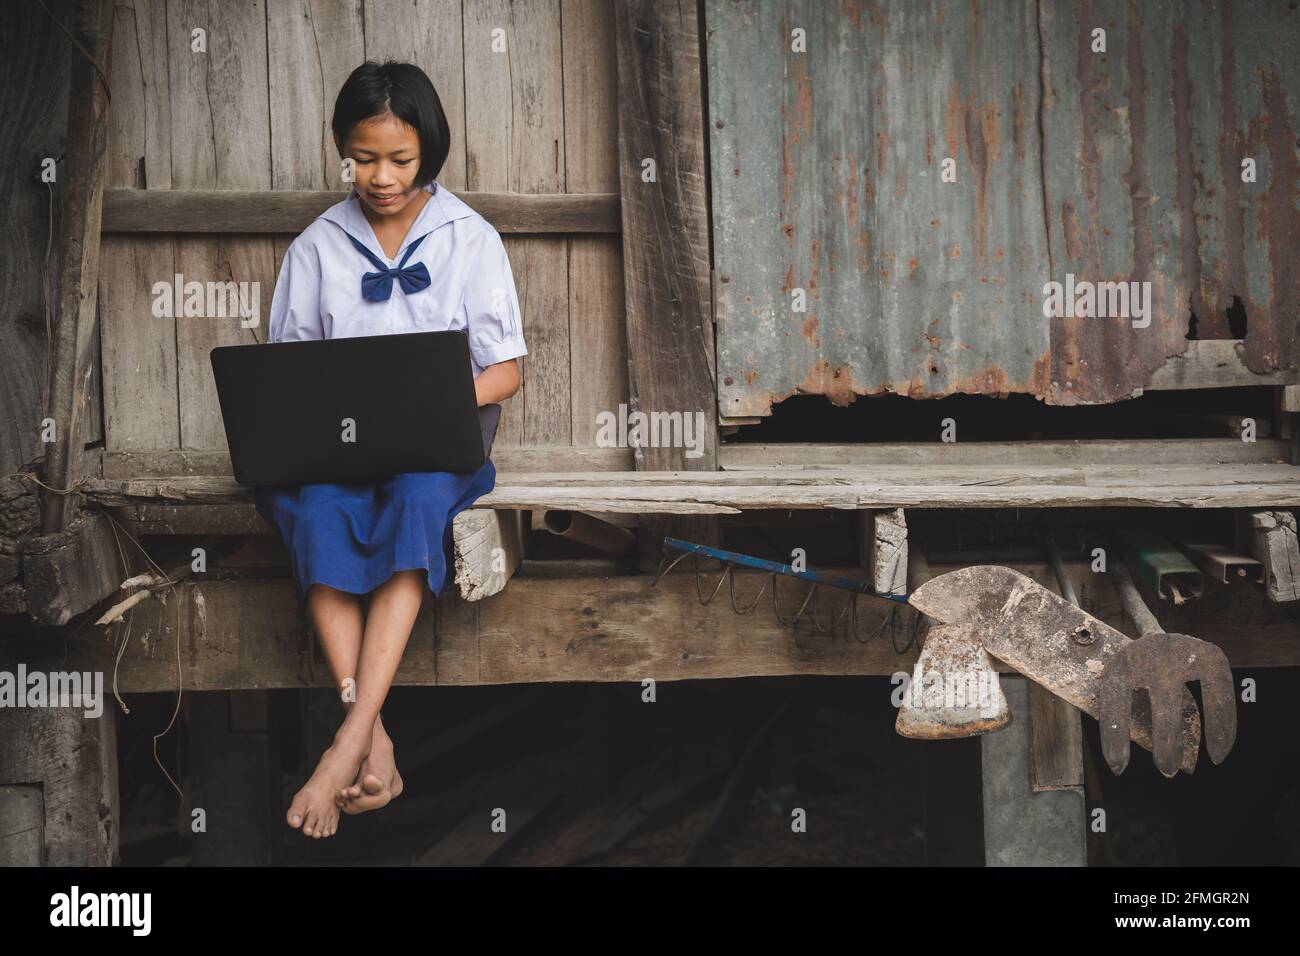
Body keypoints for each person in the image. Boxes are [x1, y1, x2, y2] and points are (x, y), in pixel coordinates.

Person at [254, 61, 528, 839]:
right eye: (363, 157)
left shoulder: (469, 238)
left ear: (429, 151)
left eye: (400, 160)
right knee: (318, 512)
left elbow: (505, 371)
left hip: (438, 441)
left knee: (413, 500)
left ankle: (346, 739)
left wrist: (428, 405)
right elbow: (287, 371)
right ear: (344, 151)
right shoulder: (317, 246)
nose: (380, 176)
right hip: (340, 447)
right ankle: (369, 735)